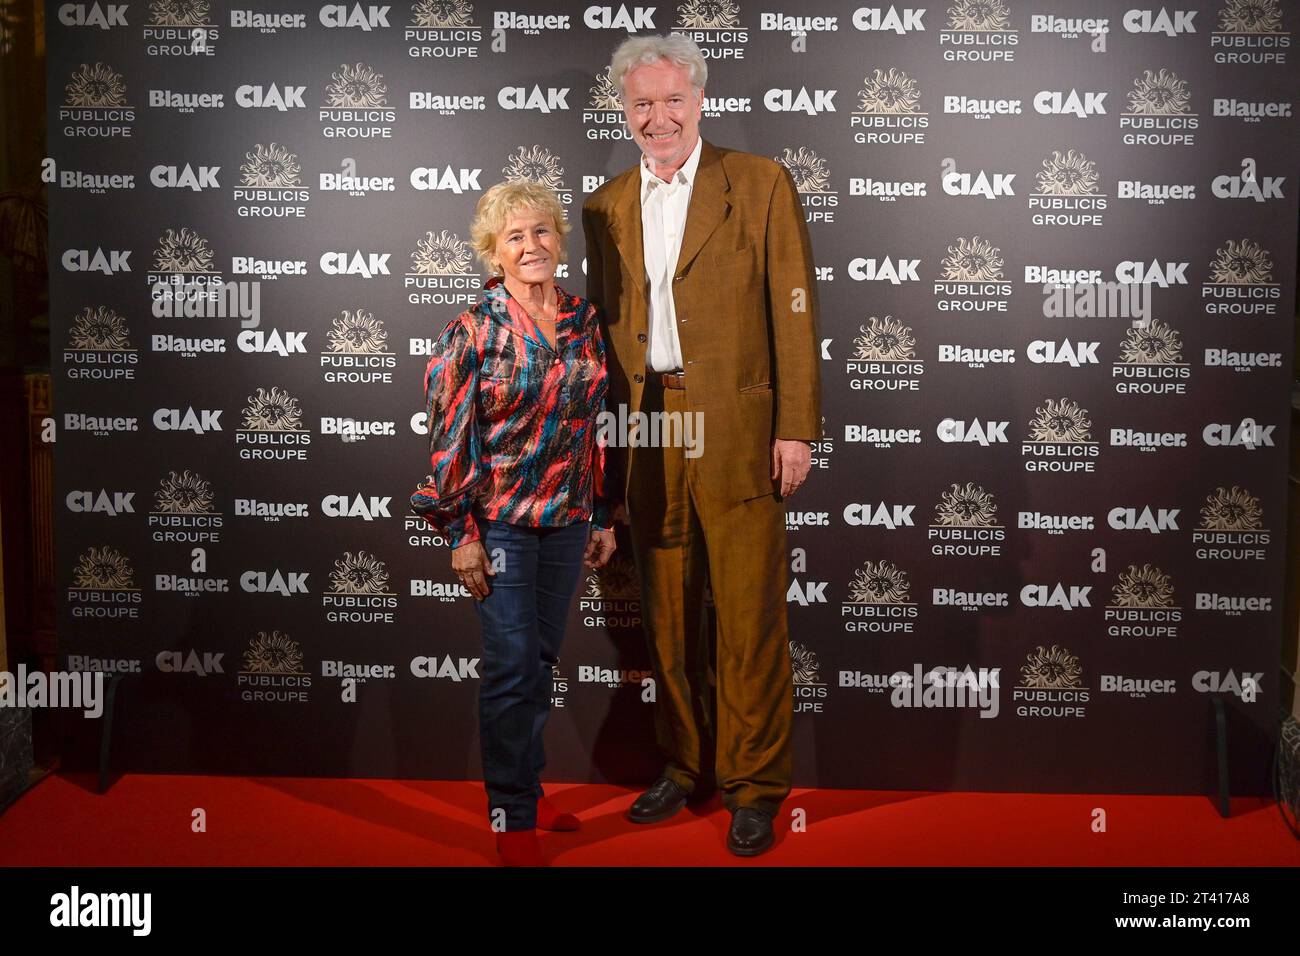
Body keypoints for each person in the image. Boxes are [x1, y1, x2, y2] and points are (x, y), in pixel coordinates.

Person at [582, 34, 822, 857]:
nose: (658, 117)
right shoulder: (604, 204)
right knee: (668, 614)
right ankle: (686, 765)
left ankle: (755, 786)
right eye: (641, 104)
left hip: (740, 425)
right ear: (624, 112)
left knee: (751, 616)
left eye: (672, 100)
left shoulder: (758, 183)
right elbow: (607, 333)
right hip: (649, 426)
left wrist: (795, 426)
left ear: (700, 101)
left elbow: (793, 313)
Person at [412, 179, 617, 866]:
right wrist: (461, 536)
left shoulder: (584, 319)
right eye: (514, 236)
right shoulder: (471, 330)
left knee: (540, 665)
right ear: (493, 252)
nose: (532, 246)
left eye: (541, 231)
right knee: (508, 671)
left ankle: (526, 791)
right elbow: (448, 441)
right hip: (498, 525)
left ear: (559, 239)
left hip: (568, 520)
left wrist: (601, 515)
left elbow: (594, 427)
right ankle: (510, 817)